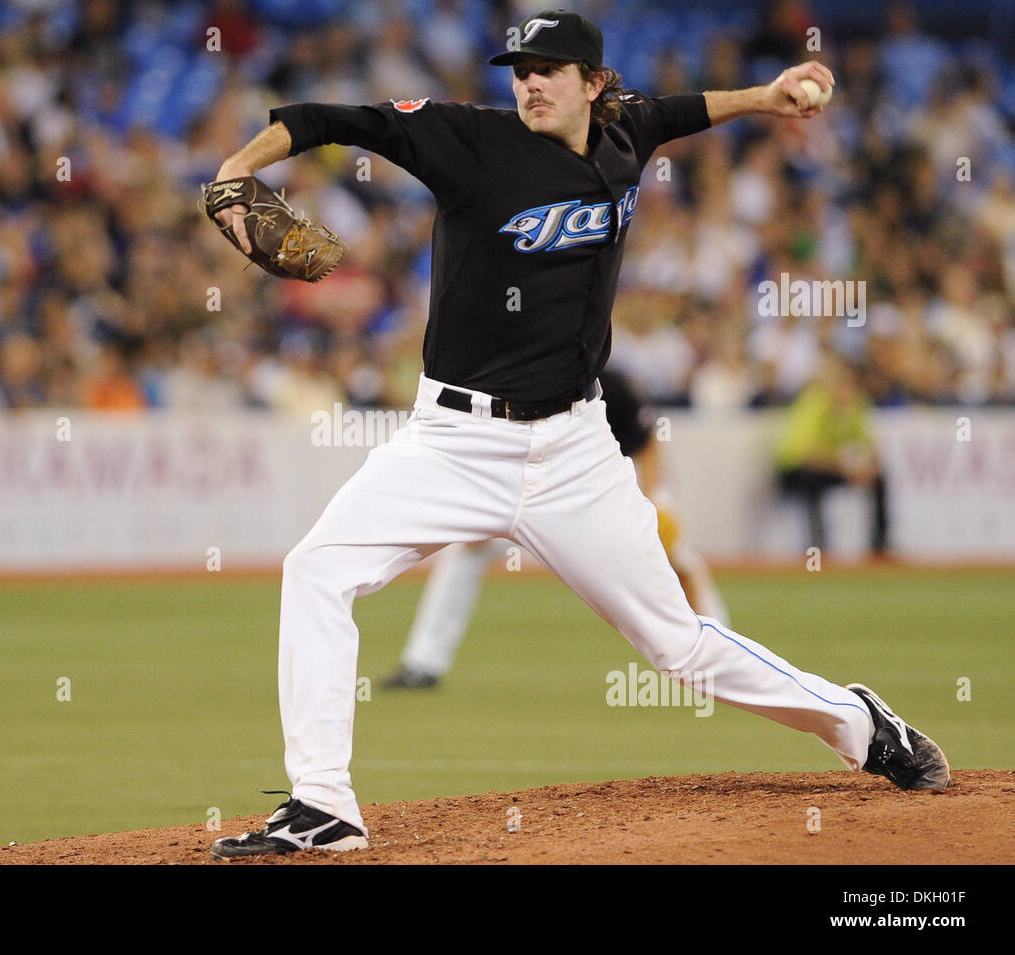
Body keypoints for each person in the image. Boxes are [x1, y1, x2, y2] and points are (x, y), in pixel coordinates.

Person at [206, 10, 949, 859]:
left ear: (594, 85)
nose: (528, 82)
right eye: (520, 67)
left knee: (676, 645)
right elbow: (326, 120)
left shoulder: (627, 130)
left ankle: (860, 723)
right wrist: (235, 169)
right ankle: (323, 802)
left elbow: (684, 109)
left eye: (549, 69)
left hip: (575, 451)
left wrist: (769, 97)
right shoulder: (467, 141)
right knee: (317, 570)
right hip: (452, 442)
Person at [382, 368, 730, 689]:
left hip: (613, 493)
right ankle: (424, 663)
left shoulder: (609, 383)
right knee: (466, 551)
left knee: (677, 550)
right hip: (544, 495)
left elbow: (648, 445)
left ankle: (720, 651)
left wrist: (650, 501)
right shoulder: (519, 381)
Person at [776, 352, 888, 555]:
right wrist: (846, 469)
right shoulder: (814, 402)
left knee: (879, 480)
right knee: (810, 481)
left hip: (833, 467)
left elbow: (869, 443)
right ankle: (818, 547)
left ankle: (879, 548)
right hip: (795, 469)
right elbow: (806, 455)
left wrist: (870, 467)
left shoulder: (856, 403)